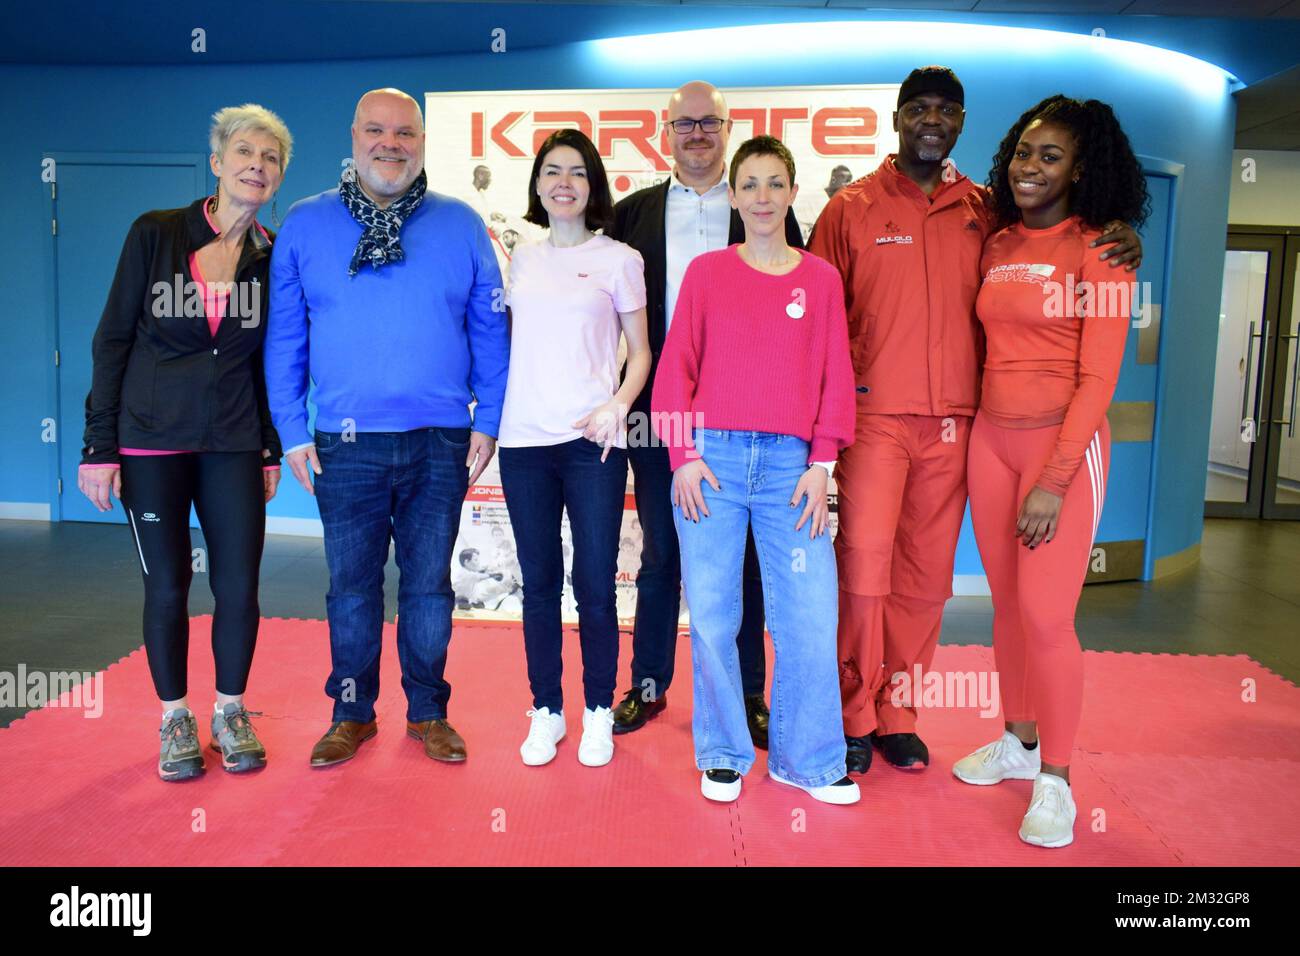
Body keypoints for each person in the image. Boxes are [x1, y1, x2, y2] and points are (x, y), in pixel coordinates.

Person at [807, 67, 1143, 775]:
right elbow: (820, 321)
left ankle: (900, 715)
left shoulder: (985, 213)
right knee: (865, 576)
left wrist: (1122, 235)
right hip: (877, 423)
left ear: (960, 123)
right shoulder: (852, 208)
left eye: (947, 111)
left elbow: (1066, 264)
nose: (932, 121)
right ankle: (853, 715)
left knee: (927, 583)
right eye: (919, 109)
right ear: (897, 118)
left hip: (959, 429)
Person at [264, 88, 508, 768]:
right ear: (353, 135)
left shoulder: (461, 225)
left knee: (429, 586)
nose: (389, 143)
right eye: (376, 129)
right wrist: (291, 429)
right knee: (351, 588)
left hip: (441, 440)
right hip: (343, 444)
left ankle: (429, 711)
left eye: (404, 132)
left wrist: (486, 418)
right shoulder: (306, 227)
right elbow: (285, 338)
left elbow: (490, 330)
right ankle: (351, 712)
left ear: (421, 142)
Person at [953, 95, 1146, 848]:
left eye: (1051, 156)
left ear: (1082, 168)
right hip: (990, 443)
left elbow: (1100, 379)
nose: (1031, 168)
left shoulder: (1102, 249)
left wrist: (1055, 480)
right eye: (1024, 153)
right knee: (1007, 608)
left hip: (1059, 450)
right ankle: (1017, 743)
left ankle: (1057, 781)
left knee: (1045, 616)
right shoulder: (997, 243)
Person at [78, 104, 291, 781]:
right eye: (246, 152)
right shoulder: (157, 234)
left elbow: (268, 361)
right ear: (218, 161)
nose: (258, 164)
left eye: (272, 157)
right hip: (150, 443)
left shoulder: (271, 253)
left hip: (231, 441)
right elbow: (113, 338)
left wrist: (268, 448)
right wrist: (97, 447)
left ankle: (231, 711)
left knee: (238, 586)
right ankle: (175, 717)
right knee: (168, 586)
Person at [652, 136, 858, 805]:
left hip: (791, 469)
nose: (764, 197)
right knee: (713, 615)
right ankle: (722, 753)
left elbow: (836, 377)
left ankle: (813, 761)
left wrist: (823, 462)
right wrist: (682, 456)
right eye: (751, 184)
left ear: (793, 192)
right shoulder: (709, 274)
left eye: (776, 183)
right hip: (711, 459)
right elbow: (674, 369)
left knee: (807, 614)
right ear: (733, 195)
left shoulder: (821, 279)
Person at [609, 81, 804, 745]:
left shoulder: (762, 210)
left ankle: (749, 696)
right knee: (663, 553)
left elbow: (797, 307)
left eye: (708, 123)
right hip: (658, 412)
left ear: (727, 128)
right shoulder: (630, 213)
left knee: (744, 558)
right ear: (666, 132)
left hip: (745, 417)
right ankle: (648, 684)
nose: (696, 133)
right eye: (684, 123)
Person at [498, 129, 650, 768]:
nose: (564, 182)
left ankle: (596, 711)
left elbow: (640, 353)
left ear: (593, 187)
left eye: (578, 173)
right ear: (537, 184)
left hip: (592, 446)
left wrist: (617, 405)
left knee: (593, 582)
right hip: (523, 443)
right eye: (553, 171)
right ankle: (547, 711)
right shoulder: (521, 260)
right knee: (538, 585)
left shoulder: (619, 258)